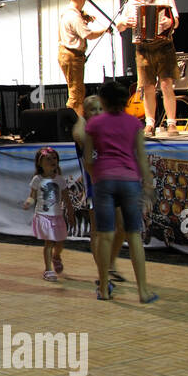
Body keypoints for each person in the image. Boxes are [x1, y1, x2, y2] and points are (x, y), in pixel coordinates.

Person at [82, 82, 159, 304]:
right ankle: (143, 291)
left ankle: (104, 288)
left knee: (105, 234)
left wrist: (97, 175)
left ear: (103, 101)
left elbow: (88, 159)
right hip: (130, 180)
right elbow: (141, 157)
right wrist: (148, 184)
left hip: (103, 180)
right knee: (133, 234)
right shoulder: (134, 123)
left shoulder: (94, 125)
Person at [116, 0, 179, 138]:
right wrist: (125, 22)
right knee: (147, 87)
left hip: (163, 46)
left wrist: (169, 21)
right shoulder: (130, 2)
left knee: (166, 84)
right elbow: (119, 26)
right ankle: (150, 123)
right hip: (143, 49)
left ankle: (171, 123)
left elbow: (176, 21)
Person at [72, 95, 127, 286]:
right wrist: (81, 116)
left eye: (100, 109)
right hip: (95, 188)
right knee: (98, 231)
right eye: (92, 110)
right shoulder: (84, 132)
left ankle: (110, 264)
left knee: (123, 226)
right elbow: (78, 134)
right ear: (86, 113)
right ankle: (102, 273)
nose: (97, 113)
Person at [22, 147, 71, 282]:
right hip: (43, 215)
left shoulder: (60, 179)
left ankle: (57, 256)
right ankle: (48, 269)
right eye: (48, 159)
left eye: (54, 158)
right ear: (40, 163)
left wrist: (71, 213)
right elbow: (32, 196)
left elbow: (66, 198)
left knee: (60, 242)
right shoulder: (37, 179)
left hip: (57, 216)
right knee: (49, 242)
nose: (52, 161)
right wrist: (28, 202)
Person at [59, 0, 108, 118]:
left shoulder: (68, 13)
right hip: (72, 55)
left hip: (68, 55)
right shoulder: (74, 16)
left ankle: (77, 122)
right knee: (76, 93)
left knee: (78, 92)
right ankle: (72, 124)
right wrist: (104, 30)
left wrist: (84, 18)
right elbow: (88, 34)